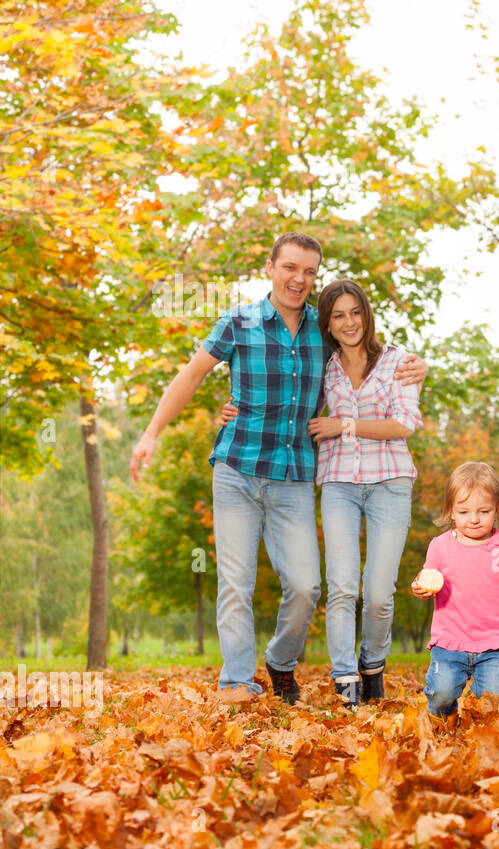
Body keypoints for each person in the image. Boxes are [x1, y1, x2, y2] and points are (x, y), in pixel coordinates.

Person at [129, 232, 427, 703]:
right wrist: (151, 433)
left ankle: (281, 661)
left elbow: (364, 353)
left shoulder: (322, 329)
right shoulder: (238, 322)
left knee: (307, 587)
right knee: (236, 583)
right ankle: (236, 684)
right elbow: (191, 375)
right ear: (270, 267)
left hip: (293, 476)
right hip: (237, 467)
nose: (299, 279)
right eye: (290, 267)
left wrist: (417, 366)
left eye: (309, 271)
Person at [221, 278, 420, 706]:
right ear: (326, 325)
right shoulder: (324, 363)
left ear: (367, 314)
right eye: (338, 316)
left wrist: (343, 425)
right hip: (339, 482)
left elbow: (404, 424)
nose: (349, 323)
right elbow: (283, 391)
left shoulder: (399, 361)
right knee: (341, 587)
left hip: (390, 481)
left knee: (380, 593)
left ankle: (373, 664)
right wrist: (236, 409)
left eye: (355, 312)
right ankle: (345, 678)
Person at [411, 462, 499, 717]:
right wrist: (420, 587)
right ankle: (443, 723)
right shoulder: (440, 546)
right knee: (441, 694)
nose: (473, 519)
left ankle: (483, 737)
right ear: (450, 511)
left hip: (493, 644)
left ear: (497, 509)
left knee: (494, 705)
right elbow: (427, 575)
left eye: (483, 511)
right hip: (449, 641)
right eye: (463, 511)